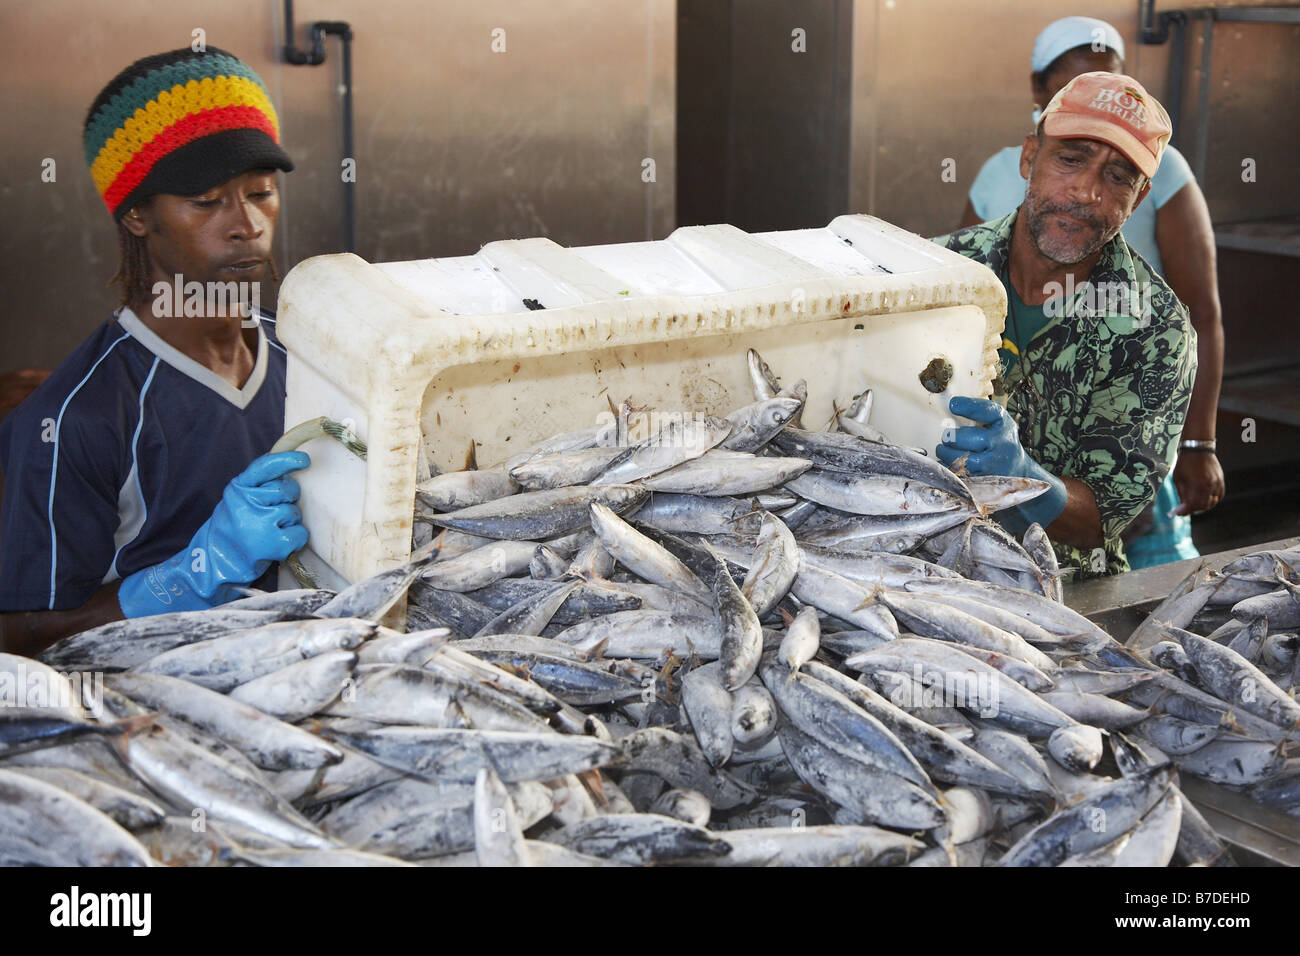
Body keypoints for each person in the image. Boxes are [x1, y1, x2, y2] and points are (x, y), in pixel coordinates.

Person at [0, 47, 310, 657]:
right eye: (206, 201)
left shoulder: (309, 355)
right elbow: (18, 639)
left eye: (261, 192)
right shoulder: (72, 418)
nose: (246, 223)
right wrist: (193, 573)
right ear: (138, 215)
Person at [959, 16, 1224, 567]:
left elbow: (1099, 522)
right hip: (911, 562)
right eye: (1071, 158)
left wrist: (1028, 480)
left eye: (1118, 176)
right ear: (1030, 157)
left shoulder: (1157, 332)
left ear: (1141, 195)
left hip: (1058, 592)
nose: (1086, 191)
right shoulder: (944, 273)